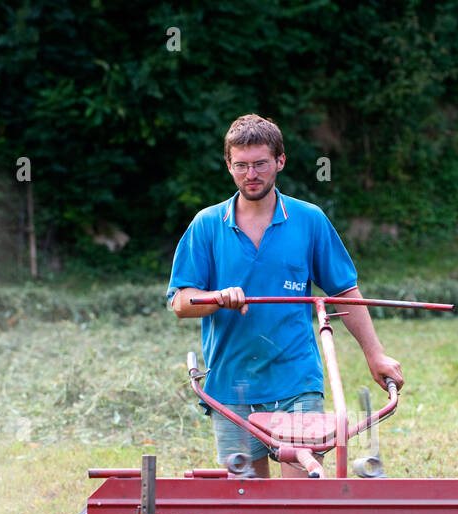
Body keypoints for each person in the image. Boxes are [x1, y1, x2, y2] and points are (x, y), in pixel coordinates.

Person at [167, 113, 403, 478]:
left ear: (280, 161)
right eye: (241, 165)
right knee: (249, 511)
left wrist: (375, 355)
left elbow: (344, 291)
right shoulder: (207, 225)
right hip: (231, 384)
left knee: (301, 499)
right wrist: (216, 297)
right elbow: (181, 302)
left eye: (261, 164)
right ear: (228, 166)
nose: (251, 175)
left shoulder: (309, 220)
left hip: (296, 379)